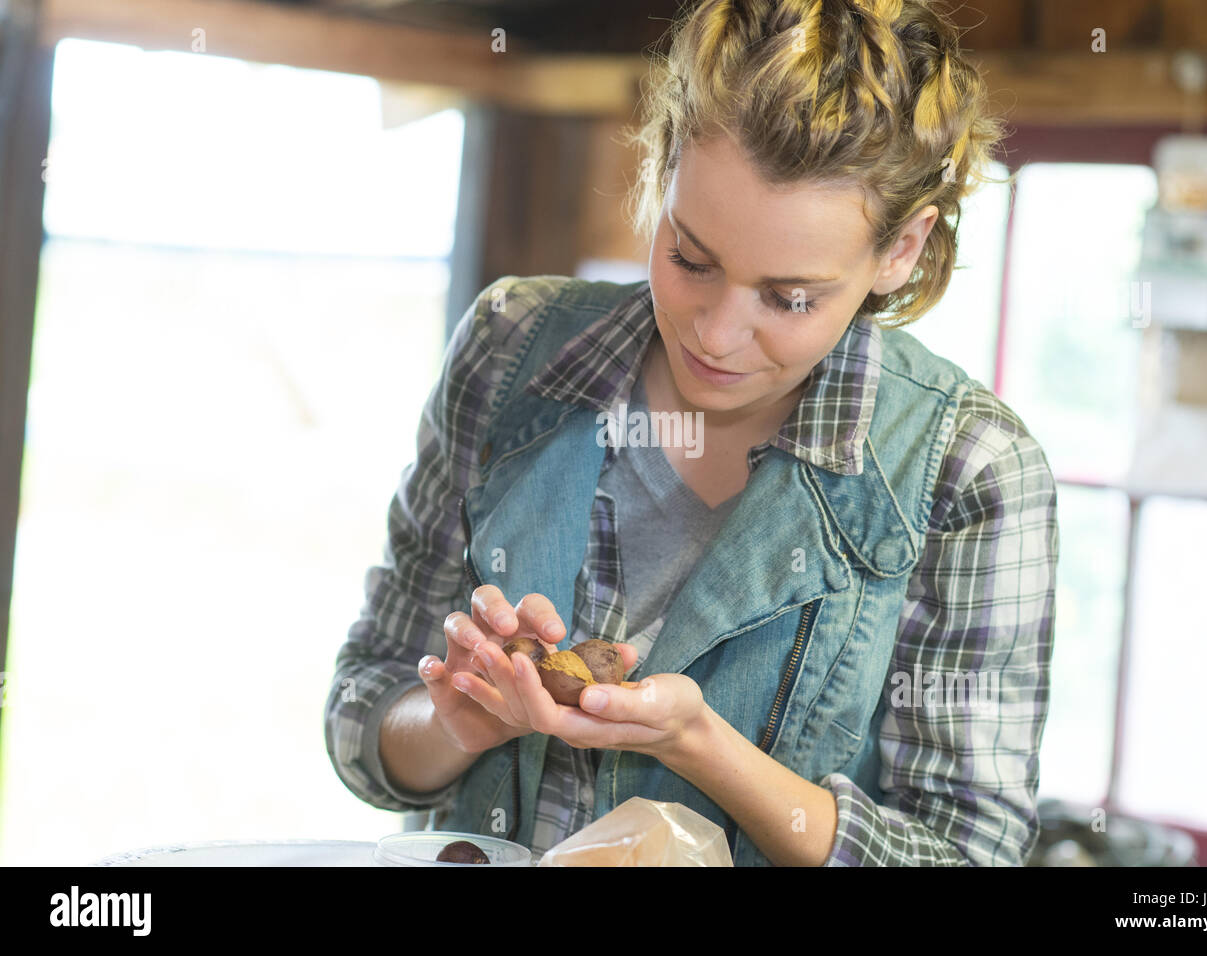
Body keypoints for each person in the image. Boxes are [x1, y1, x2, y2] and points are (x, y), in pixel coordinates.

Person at [325, 0, 1059, 867]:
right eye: (691, 259)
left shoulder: (969, 471)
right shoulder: (510, 345)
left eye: (788, 298)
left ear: (900, 249)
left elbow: (967, 856)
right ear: (663, 167)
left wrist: (698, 745)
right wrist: (458, 720)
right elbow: (360, 722)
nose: (714, 332)